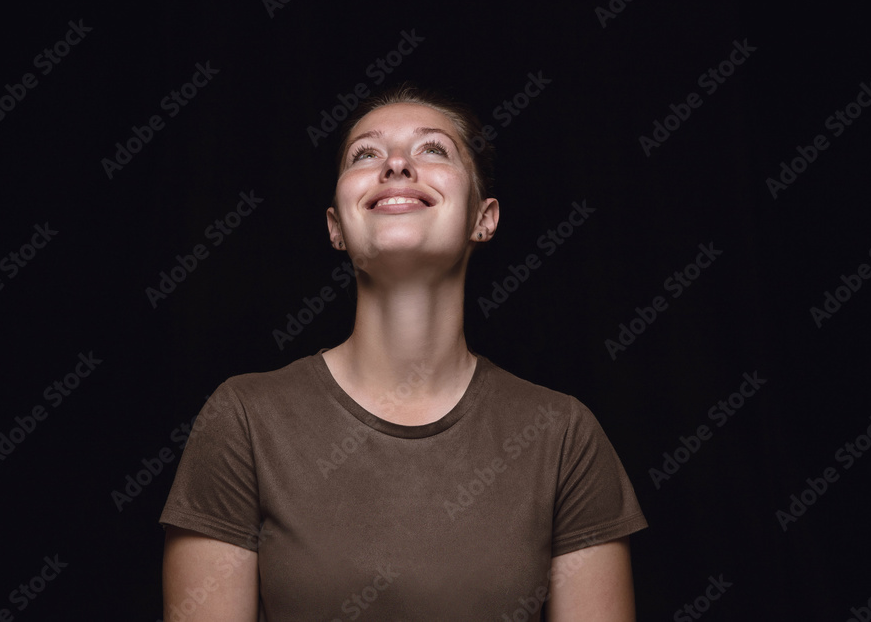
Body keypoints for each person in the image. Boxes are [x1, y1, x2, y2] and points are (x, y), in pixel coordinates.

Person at [160, 83, 648, 621]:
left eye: (433, 150)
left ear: (484, 218)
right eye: (365, 154)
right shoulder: (244, 419)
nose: (395, 165)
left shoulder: (563, 436)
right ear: (335, 227)